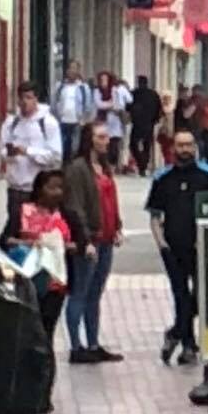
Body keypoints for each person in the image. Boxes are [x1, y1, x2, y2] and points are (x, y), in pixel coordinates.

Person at [148, 127, 208, 366]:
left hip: (202, 247)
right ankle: (188, 345)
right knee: (180, 295)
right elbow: (155, 215)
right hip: (173, 247)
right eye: (180, 145)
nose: (185, 150)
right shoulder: (163, 178)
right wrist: (161, 244)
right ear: (173, 148)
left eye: (189, 145)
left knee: (202, 296)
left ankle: (175, 333)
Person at [60, 132, 122, 364]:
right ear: (90, 140)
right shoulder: (77, 169)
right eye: (101, 137)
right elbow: (75, 206)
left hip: (105, 238)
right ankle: (76, 346)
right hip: (89, 241)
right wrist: (84, 240)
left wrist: (117, 225)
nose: (106, 141)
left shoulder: (104, 167)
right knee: (80, 292)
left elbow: (111, 199)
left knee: (95, 293)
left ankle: (93, 343)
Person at [2, 167, 75, 350]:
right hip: (27, 278)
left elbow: (79, 242)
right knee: (27, 328)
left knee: (47, 328)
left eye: (61, 188)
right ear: (40, 188)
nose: (57, 193)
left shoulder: (67, 214)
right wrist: (28, 243)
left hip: (55, 281)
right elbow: (5, 240)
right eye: (52, 187)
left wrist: (65, 247)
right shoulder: (23, 211)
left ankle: (45, 367)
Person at [0, 87, 62, 224]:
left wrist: (28, 151)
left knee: (38, 228)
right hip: (16, 188)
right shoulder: (11, 123)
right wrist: (10, 153)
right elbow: (2, 150)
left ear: (36, 100)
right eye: (21, 98)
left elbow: (55, 156)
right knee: (16, 227)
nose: (24, 102)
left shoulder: (48, 123)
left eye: (28, 98)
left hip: (38, 189)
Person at [54, 62, 96, 160]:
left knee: (74, 148)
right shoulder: (60, 86)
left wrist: (84, 120)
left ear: (78, 71)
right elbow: (55, 102)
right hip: (62, 121)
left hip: (77, 122)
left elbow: (88, 105)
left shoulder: (83, 88)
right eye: (70, 68)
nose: (72, 71)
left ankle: (72, 168)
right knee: (62, 147)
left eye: (74, 68)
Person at [96, 71, 129, 173]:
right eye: (102, 80)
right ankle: (104, 165)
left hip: (115, 122)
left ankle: (113, 165)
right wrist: (110, 105)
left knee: (114, 146)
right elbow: (99, 104)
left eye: (106, 80)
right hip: (102, 121)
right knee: (103, 145)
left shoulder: (115, 90)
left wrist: (109, 105)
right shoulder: (97, 91)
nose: (104, 82)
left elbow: (118, 104)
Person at [130, 80, 165, 175]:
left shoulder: (134, 93)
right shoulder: (153, 94)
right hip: (148, 124)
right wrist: (155, 120)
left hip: (138, 123)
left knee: (134, 144)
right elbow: (159, 109)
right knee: (146, 145)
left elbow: (128, 106)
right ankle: (144, 164)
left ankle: (142, 163)